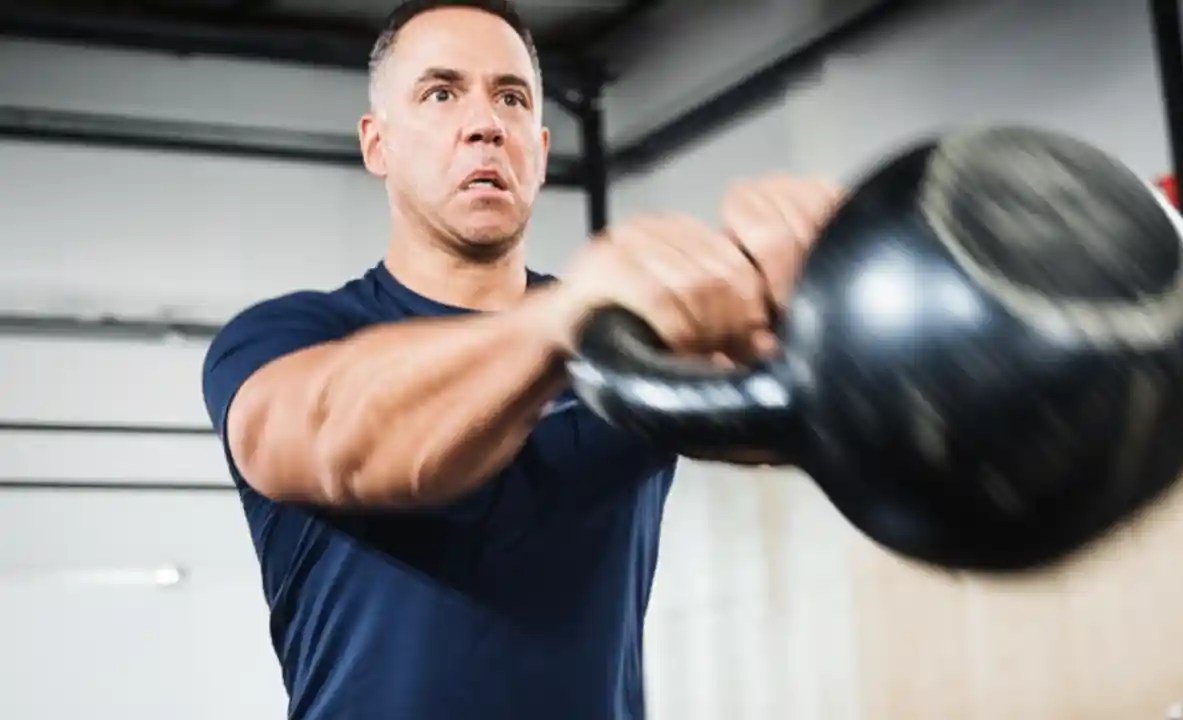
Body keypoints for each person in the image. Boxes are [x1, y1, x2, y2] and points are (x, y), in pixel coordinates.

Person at [201, 1, 841, 718]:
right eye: (441, 94)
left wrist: (831, 316)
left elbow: (820, 426)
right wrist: (563, 326)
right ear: (377, 144)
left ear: (538, 148)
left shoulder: (621, 336)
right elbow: (340, 437)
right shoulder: (290, 336)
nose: (485, 124)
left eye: (510, 97)